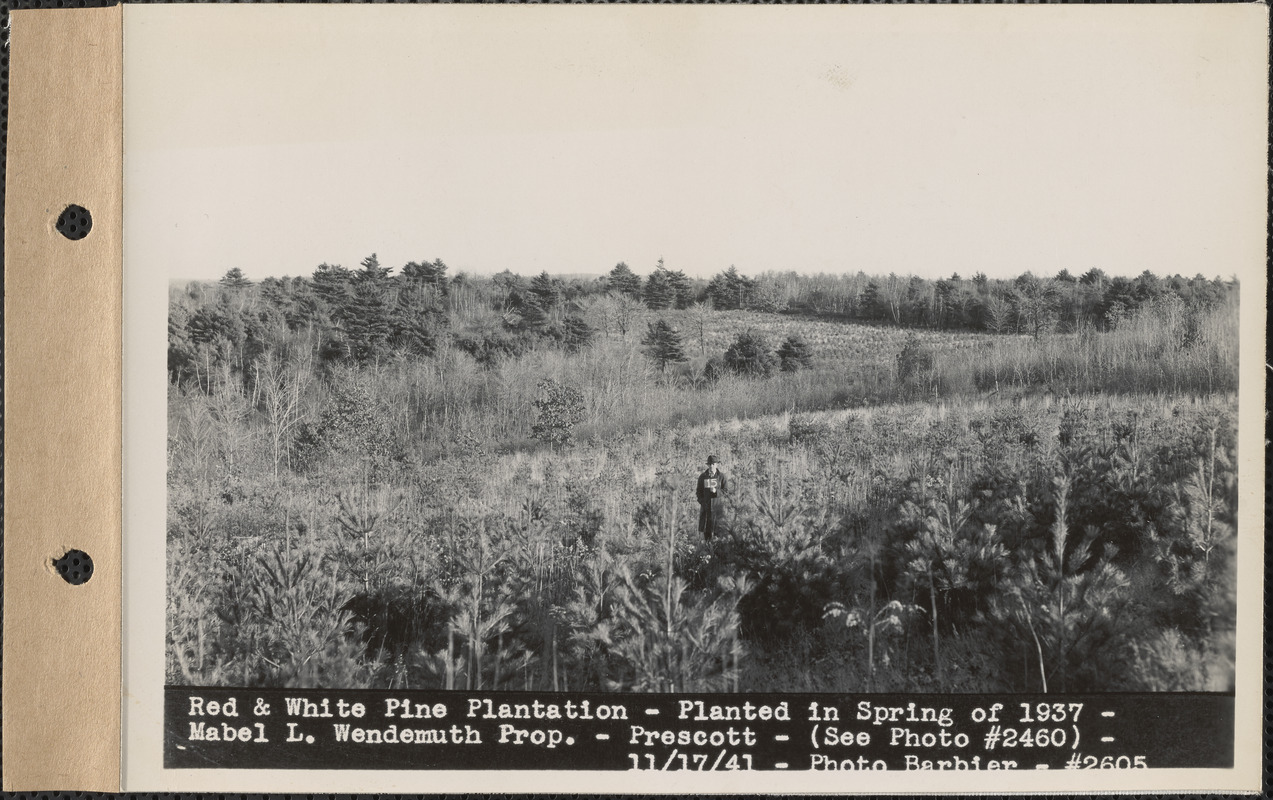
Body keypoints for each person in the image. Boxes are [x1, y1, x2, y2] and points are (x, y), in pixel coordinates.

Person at [696, 455, 727, 540]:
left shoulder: (722, 476)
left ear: (717, 464)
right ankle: (708, 548)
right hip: (706, 507)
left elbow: (726, 491)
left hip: (717, 507)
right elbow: (698, 492)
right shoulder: (702, 477)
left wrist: (716, 491)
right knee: (707, 529)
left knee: (718, 530)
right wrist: (702, 502)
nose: (711, 466)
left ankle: (718, 549)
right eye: (709, 464)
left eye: (713, 464)